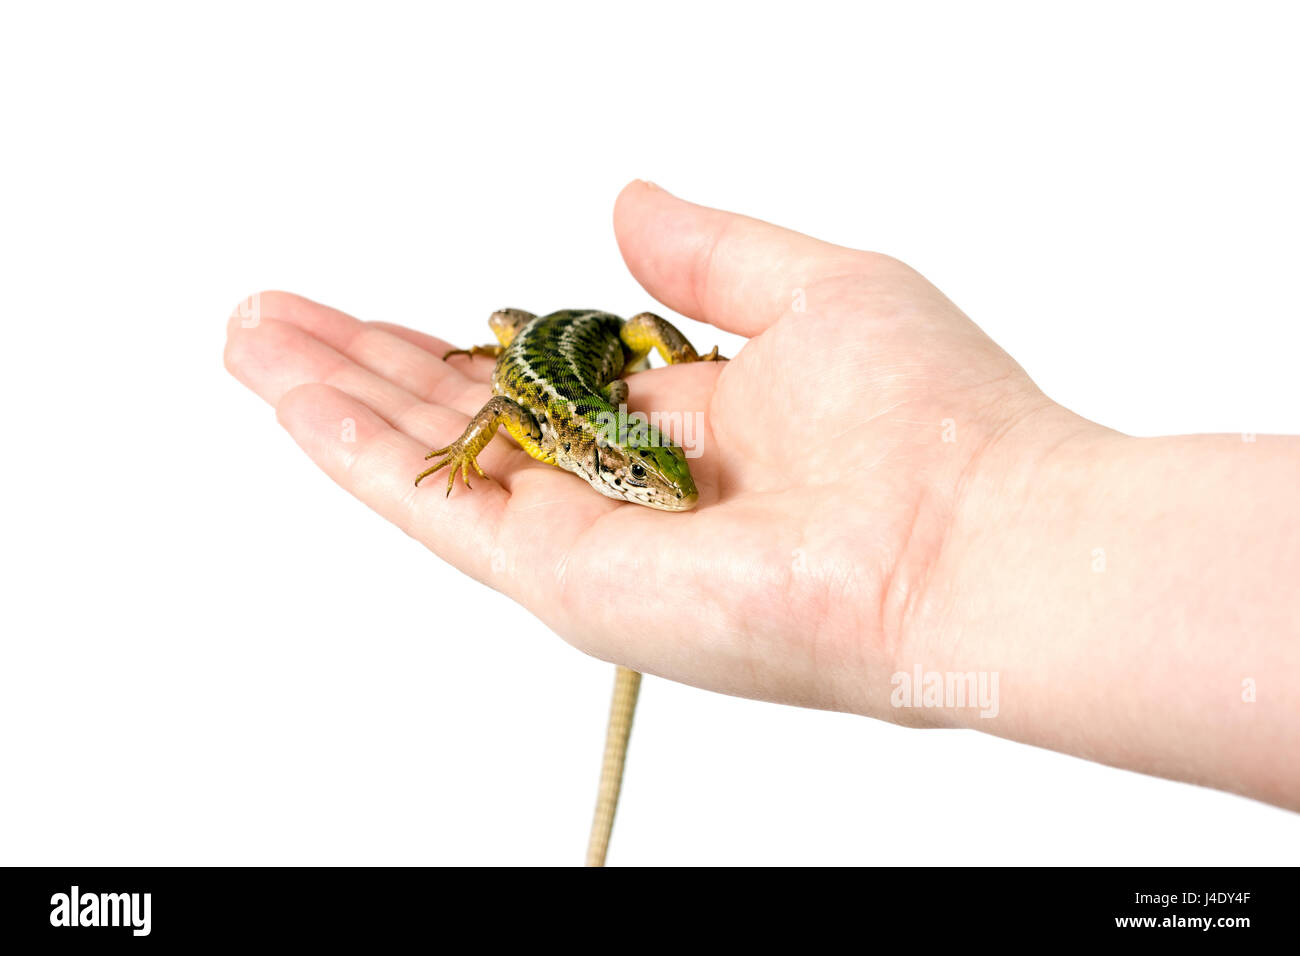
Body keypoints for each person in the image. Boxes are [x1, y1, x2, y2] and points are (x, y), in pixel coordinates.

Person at [224, 180, 1299, 812]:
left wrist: (965, 530)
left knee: (621, 330)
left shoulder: (605, 410)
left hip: (590, 334)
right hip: (540, 343)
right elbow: (499, 412)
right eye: (642, 473)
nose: (658, 483)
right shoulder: (537, 423)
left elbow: (628, 358)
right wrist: (466, 447)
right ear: (604, 456)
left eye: (647, 468)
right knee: (511, 323)